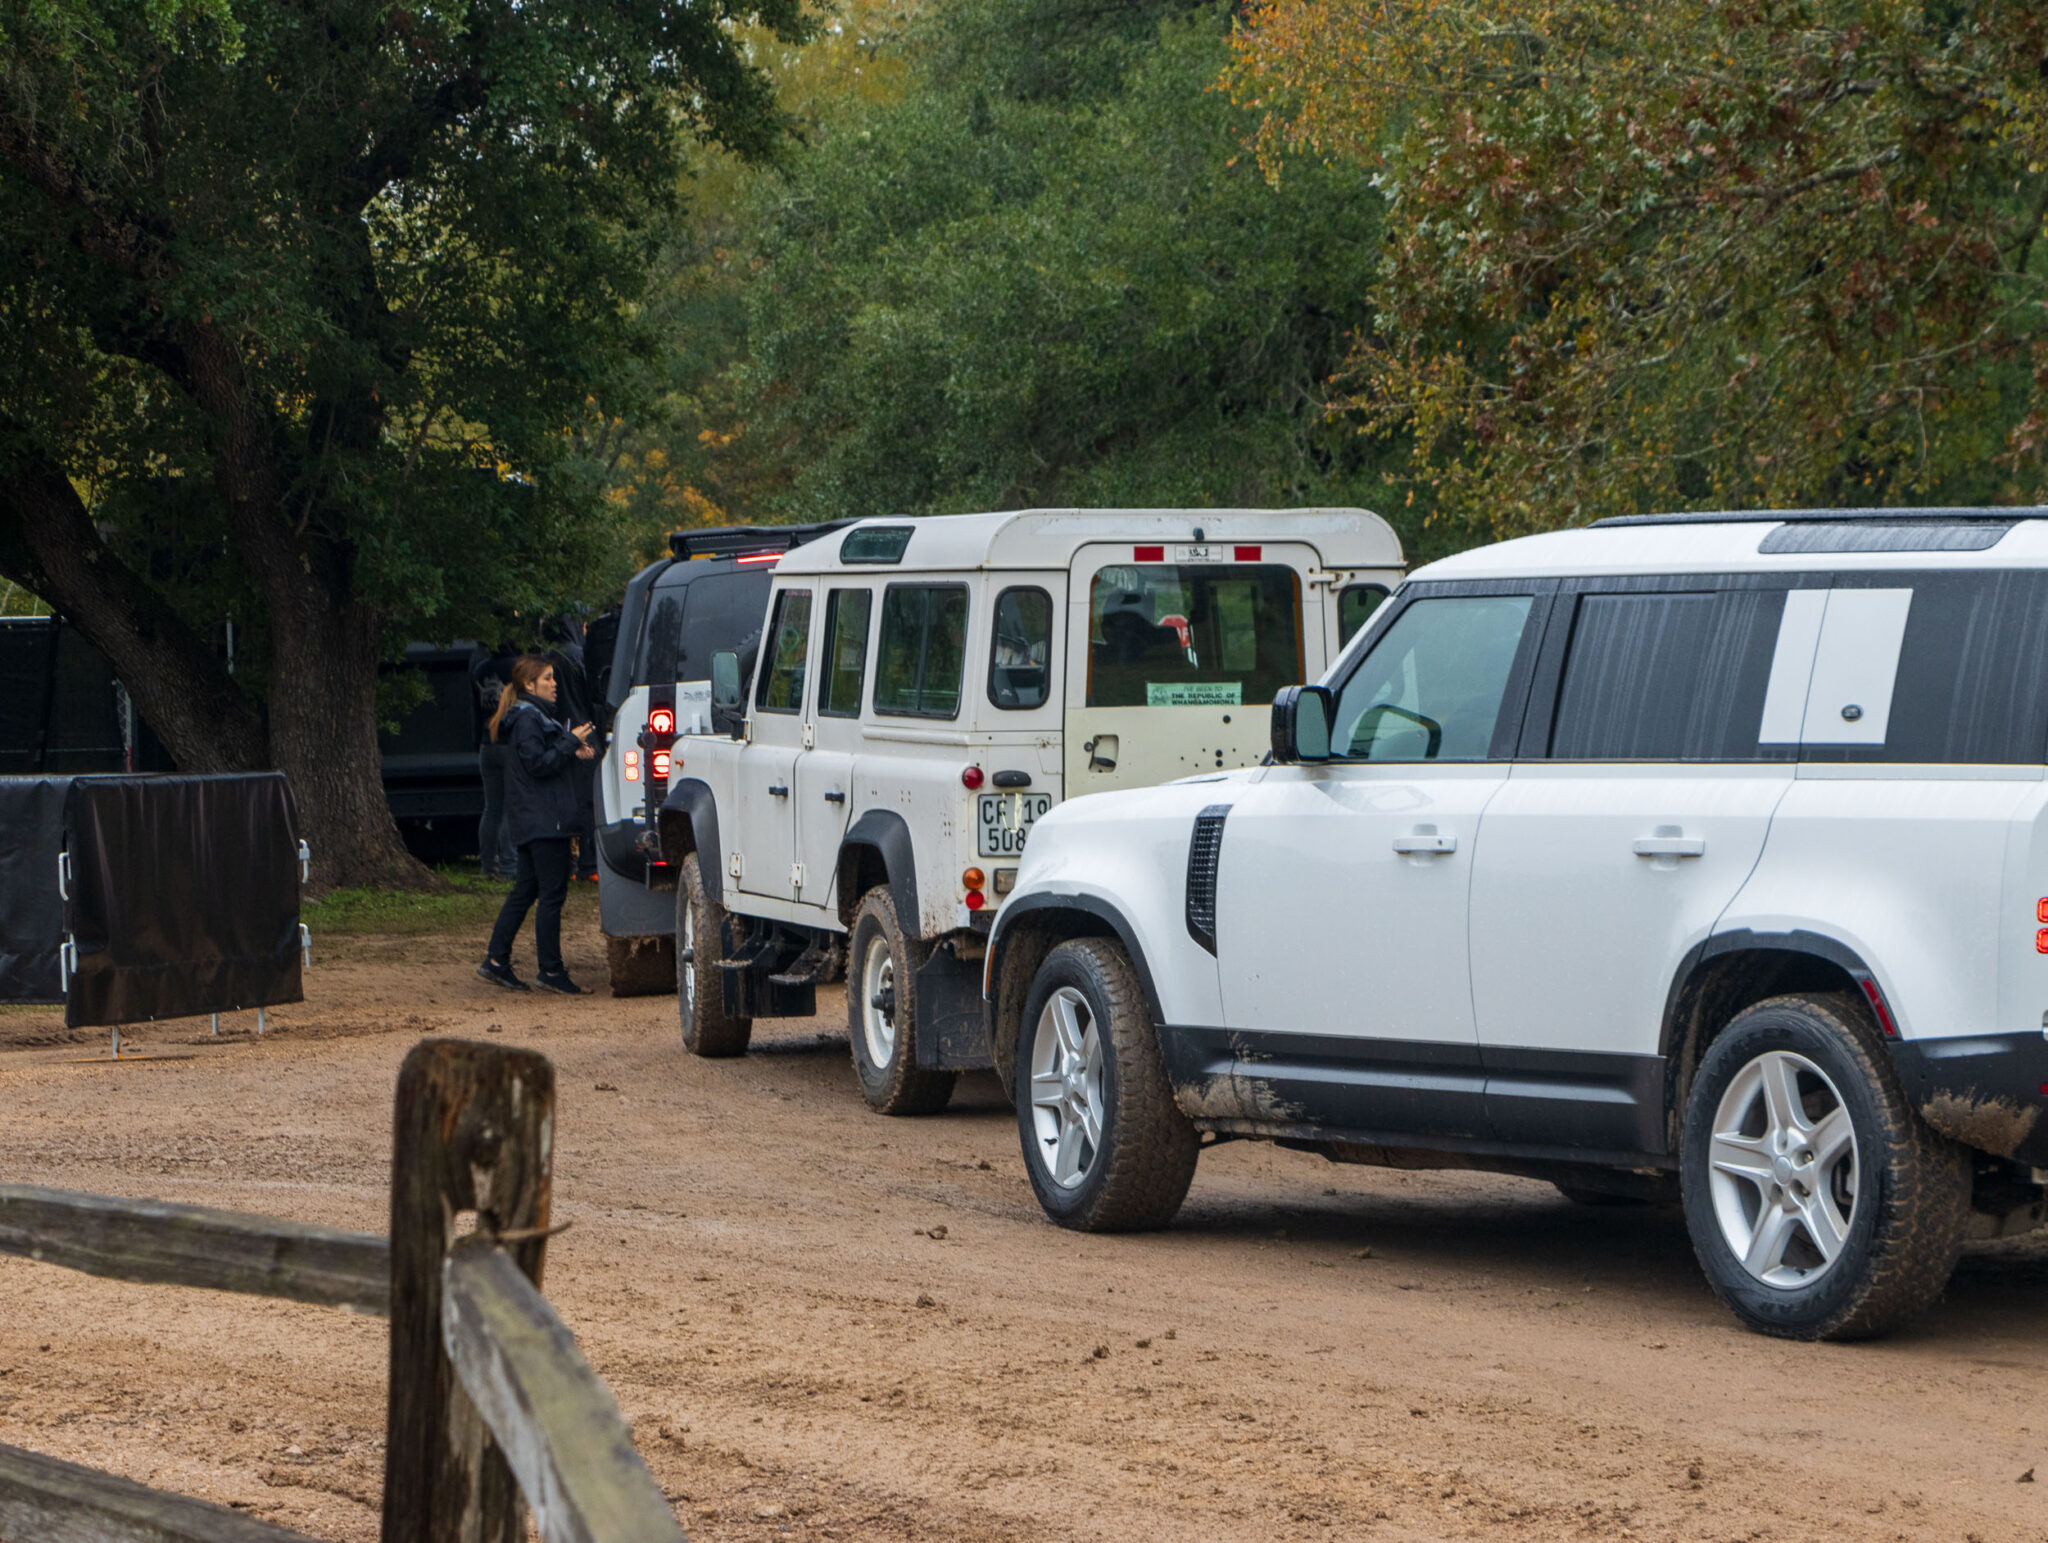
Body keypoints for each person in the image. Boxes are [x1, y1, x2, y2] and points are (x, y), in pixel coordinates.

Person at [478, 655, 596, 994]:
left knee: (526, 891)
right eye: (547, 678)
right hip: (545, 820)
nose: (554, 684)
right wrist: (569, 742)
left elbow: (544, 760)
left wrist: (571, 749)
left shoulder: (530, 718)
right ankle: (550, 970)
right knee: (551, 896)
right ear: (530, 685)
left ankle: (497, 961)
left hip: (536, 818)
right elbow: (537, 765)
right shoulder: (530, 720)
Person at [470, 643, 520, 877]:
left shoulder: (480, 668)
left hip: (486, 742)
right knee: (511, 806)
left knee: (492, 808)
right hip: (509, 742)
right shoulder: (516, 668)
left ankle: (488, 864)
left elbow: (473, 707)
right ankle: (510, 865)